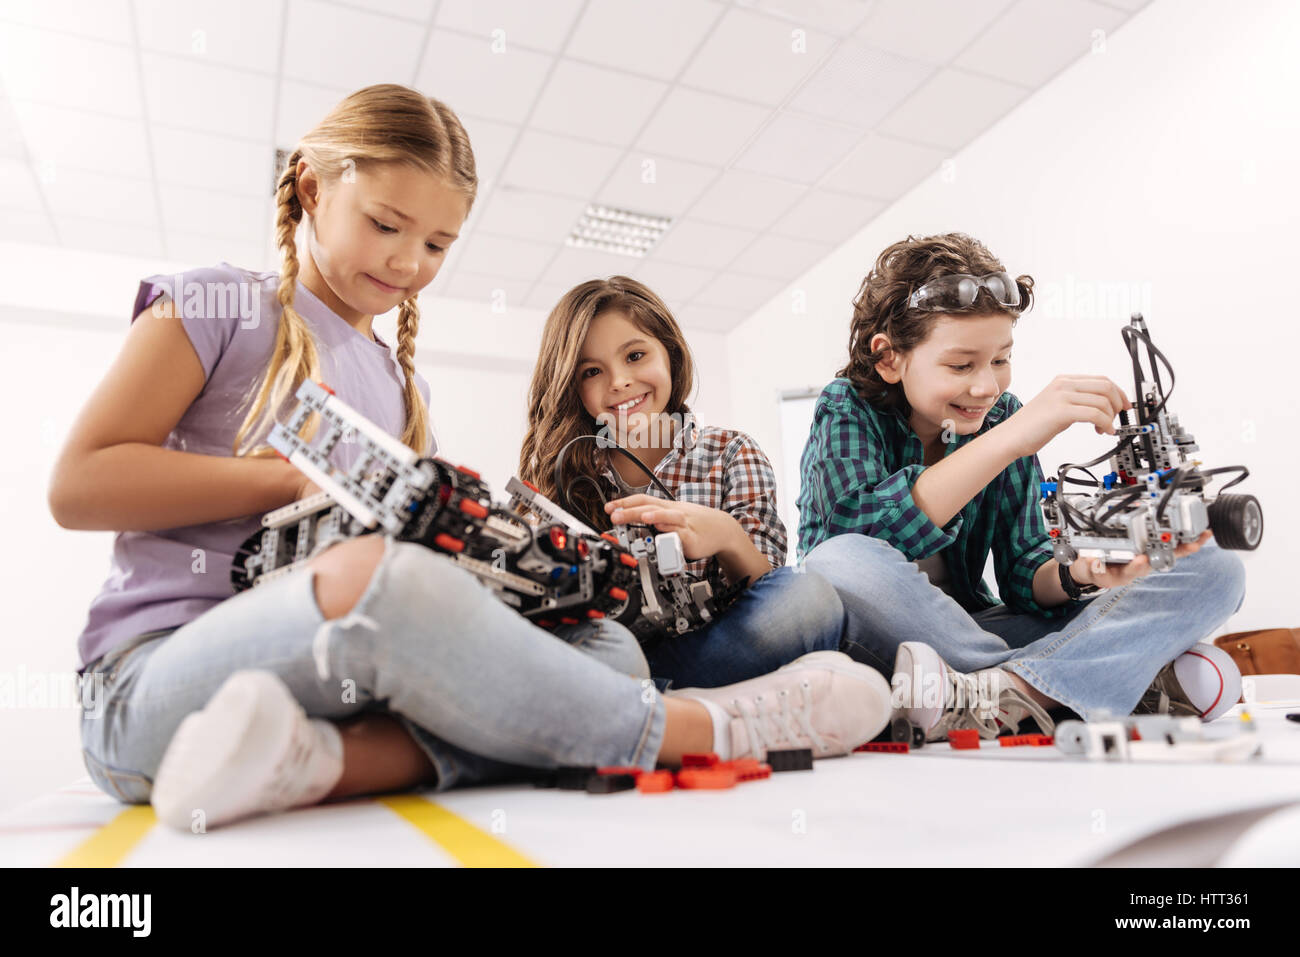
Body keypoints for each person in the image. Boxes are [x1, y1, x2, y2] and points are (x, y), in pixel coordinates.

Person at [50, 85, 888, 832]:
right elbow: (79, 485)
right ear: (311, 187)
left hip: (330, 684)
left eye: (438, 246)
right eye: (385, 225)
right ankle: (708, 727)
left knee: (599, 643)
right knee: (390, 584)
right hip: (152, 685)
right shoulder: (216, 302)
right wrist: (291, 476)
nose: (409, 264)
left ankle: (314, 760)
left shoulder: (394, 379)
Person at [797, 232, 1246, 741]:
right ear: (889, 359)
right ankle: (1074, 682)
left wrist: (1086, 570)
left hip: (972, 636)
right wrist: (1008, 440)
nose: (986, 386)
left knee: (1216, 567)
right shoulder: (846, 406)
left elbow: (1024, 572)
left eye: (1000, 360)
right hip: (870, 639)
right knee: (839, 561)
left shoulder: (1002, 418)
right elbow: (859, 532)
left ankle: (1008, 694)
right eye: (961, 365)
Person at [518, 277, 845, 689]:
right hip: (607, 662)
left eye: (635, 355)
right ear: (572, 387)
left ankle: (655, 709)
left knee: (808, 601)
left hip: (710, 654)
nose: (618, 381)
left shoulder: (730, 453)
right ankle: (676, 709)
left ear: (670, 354)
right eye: (592, 371)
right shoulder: (559, 478)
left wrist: (727, 537)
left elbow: (773, 596)